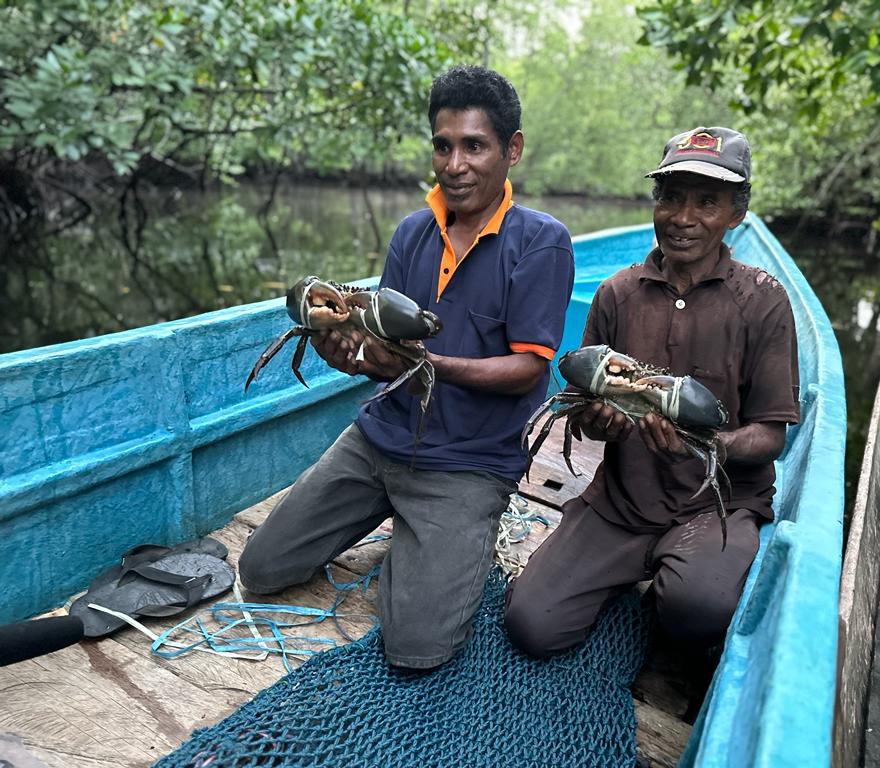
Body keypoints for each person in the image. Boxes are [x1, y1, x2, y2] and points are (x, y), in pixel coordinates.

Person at [239, 65, 575, 670]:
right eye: (443, 146)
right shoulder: (412, 232)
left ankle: (428, 543)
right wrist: (341, 352)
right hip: (378, 442)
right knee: (259, 569)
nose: (455, 164)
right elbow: (384, 356)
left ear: (511, 150)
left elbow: (528, 372)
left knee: (416, 649)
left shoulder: (540, 241)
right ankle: (407, 529)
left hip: (467, 465)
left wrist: (429, 364)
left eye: (475, 145)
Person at [504, 126, 800, 665]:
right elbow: (579, 407)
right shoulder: (617, 293)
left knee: (698, 611)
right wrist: (598, 421)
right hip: (624, 497)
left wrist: (711, 446)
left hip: (717, 503)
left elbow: (771, 435)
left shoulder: (763, 300)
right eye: (670, 197)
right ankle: (626, 569)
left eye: (707, 202)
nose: (683, 218)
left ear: (736, 212)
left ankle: (674, 584)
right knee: (530, 626)